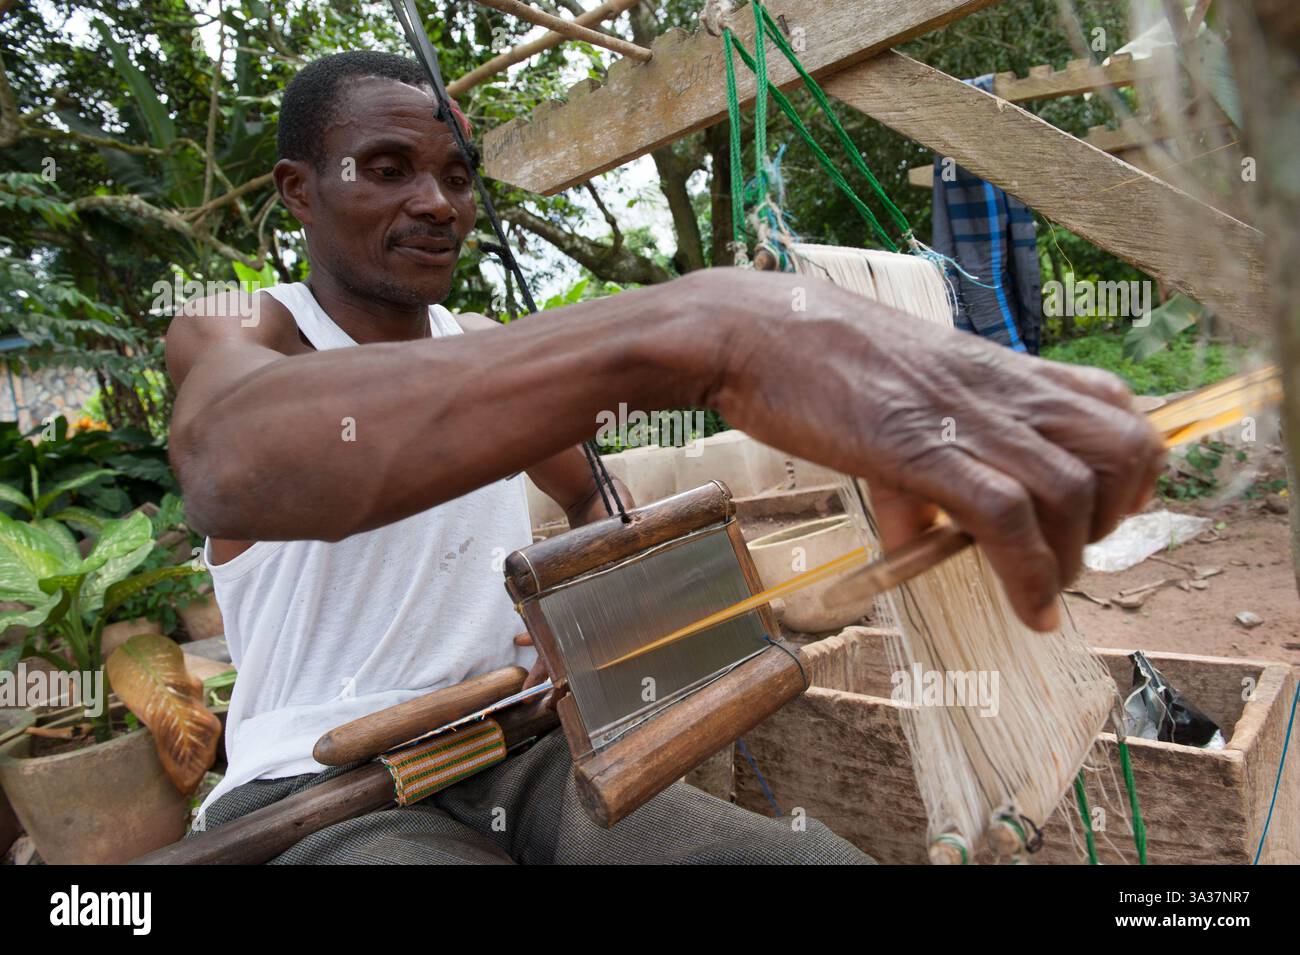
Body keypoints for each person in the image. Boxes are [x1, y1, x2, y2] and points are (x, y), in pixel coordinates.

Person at [165, 52, 1164, 864]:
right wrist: (704, 326)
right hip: (326, 792)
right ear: (297, 189)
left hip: (525, 758)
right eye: (388, 168)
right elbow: (230, 455)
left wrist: (595, 626)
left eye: (457, 176)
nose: (436, 201)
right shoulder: (236, 327)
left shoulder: (480, 346)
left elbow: (594, 493)